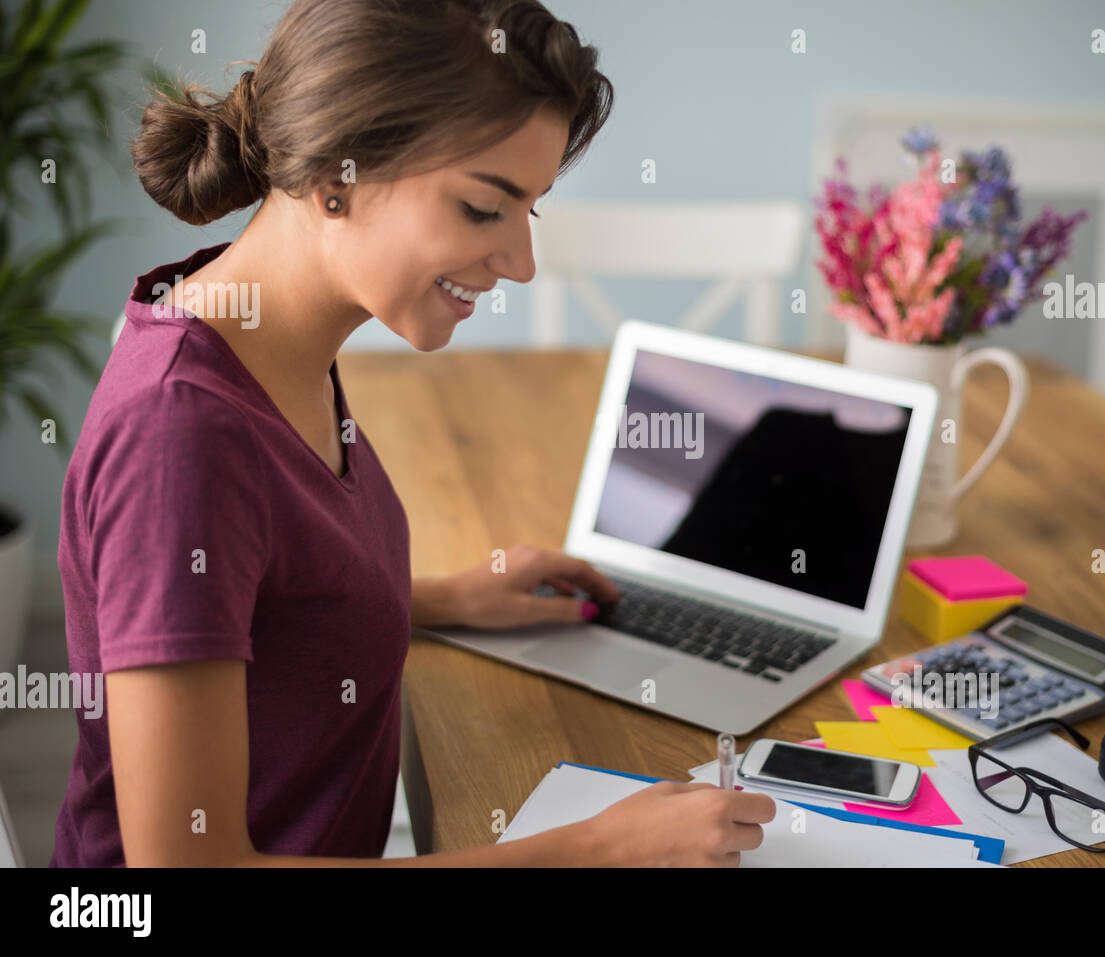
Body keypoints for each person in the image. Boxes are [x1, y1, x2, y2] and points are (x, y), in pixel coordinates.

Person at [51, 0, 773, 868]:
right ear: (335, 180)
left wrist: (435, 599)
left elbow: (257, 593)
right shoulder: (182, 438)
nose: (521, 262)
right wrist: (595, 851)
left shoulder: (264, 334)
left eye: (529, 212)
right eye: (482, 208)